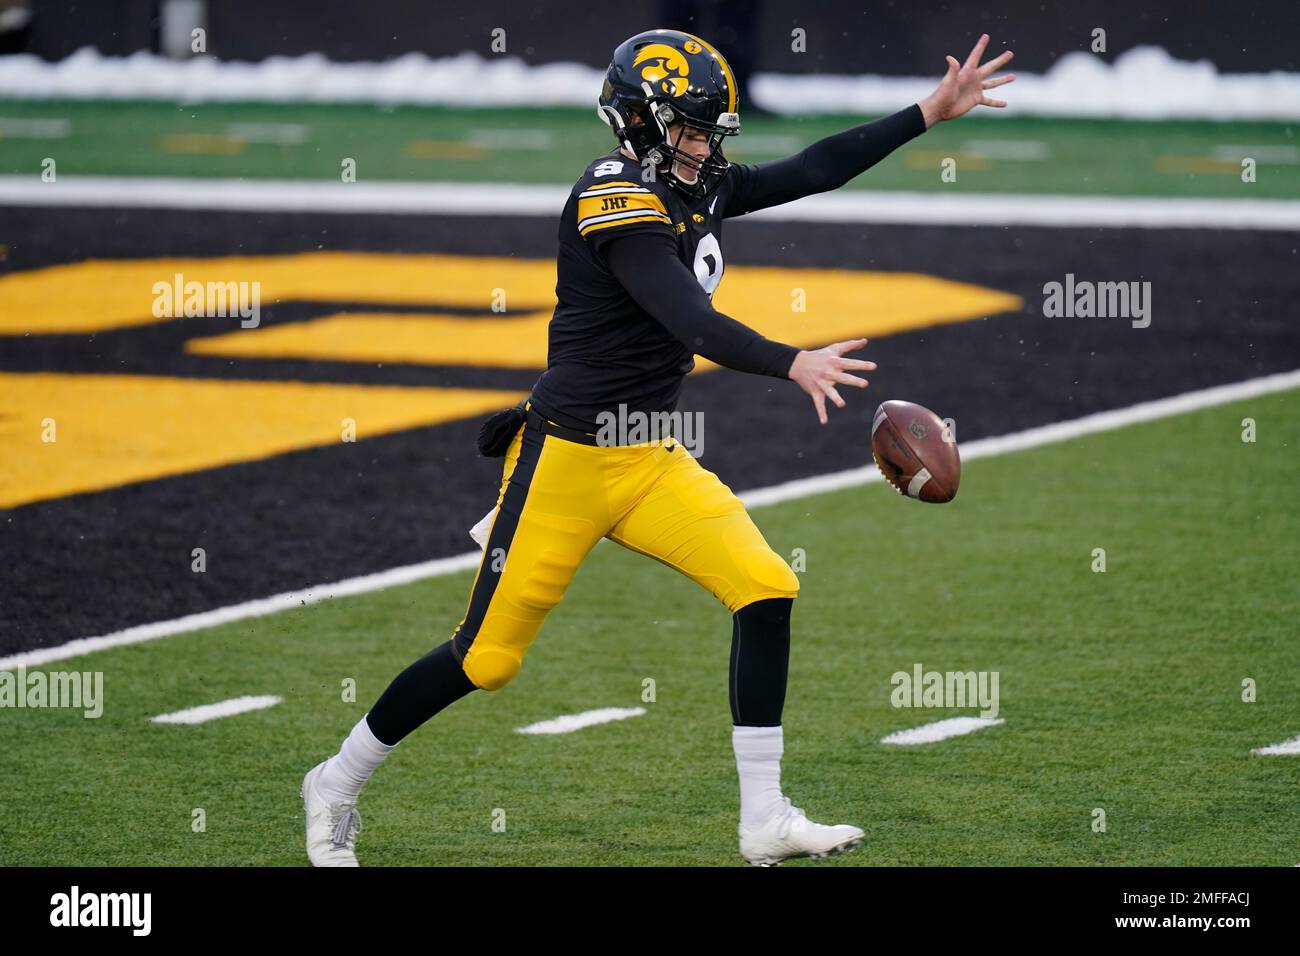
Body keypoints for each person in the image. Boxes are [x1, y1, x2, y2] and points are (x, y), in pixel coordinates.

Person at [302, 27, 1014, 867]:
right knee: (486, 660)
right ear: (635, 122)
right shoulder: (614, 195)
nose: (705, 148)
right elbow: (689, 317)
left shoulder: (690, 183)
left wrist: (929, 111)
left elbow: (811, 170)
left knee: (765, 585)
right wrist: (792, 361)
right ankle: (336, 783)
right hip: (566, 459)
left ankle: (764, 821)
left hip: (646, 455)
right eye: (687, 129)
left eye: (712, 131)